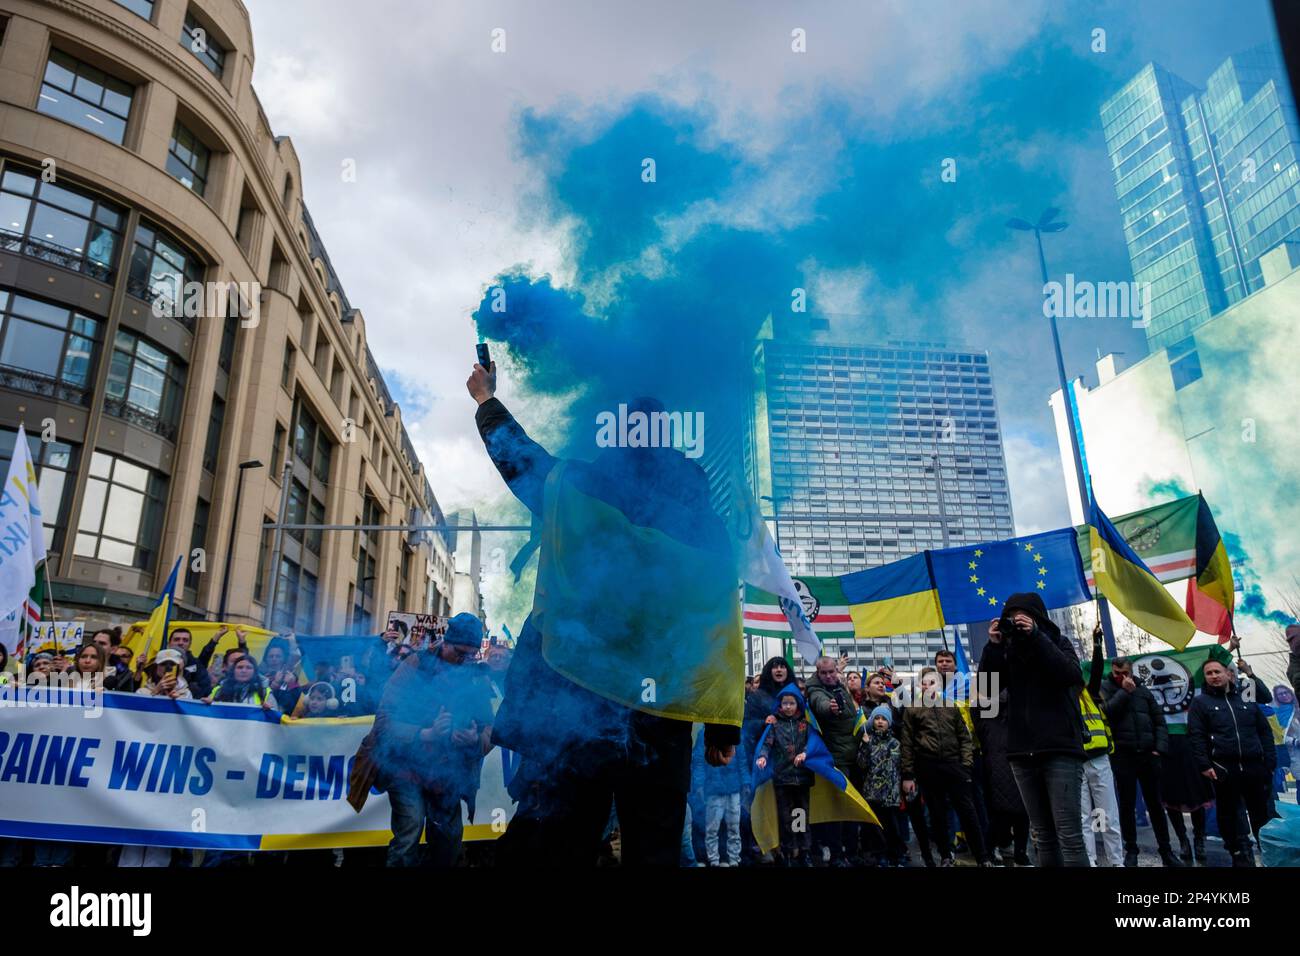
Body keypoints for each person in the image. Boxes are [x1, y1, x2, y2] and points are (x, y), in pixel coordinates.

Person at [467, 362, 738, 867]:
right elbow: (719, 625)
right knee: (655, 845)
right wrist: (723, 728)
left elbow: (522, 462)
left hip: (578, 699)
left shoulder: (583, 486)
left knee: (564, 839)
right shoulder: (705, 524)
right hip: (663, 713)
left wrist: (486, 401)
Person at [368, 613, 493, 867]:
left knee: (448, 842)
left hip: (448, 774)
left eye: (471, 654)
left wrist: (473, 740)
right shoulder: (415, 665)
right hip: (406, 767)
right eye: (460, 652)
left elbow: (490, 728)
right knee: (410, 830)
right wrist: (424, 734)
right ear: (446, 643)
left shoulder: (476, 676)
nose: (465, 660)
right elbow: (384, 721)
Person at [977, 593, 1089, 867]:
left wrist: (1037, 636)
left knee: (1069, 835)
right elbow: (987, 692)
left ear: (1037, 617)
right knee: (1043, 835)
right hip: (1021, 751)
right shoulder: (1006, 651)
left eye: (1022, 616)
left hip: (1059, 748)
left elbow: (1071, 676)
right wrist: (992, 647)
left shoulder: (1058, 642)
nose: (1016, 622)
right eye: (1011, 617)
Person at [899, 667, 992, 866]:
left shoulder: (951, 706)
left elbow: (964, 738)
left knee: (968, 811)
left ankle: (983, 857)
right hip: (928, 767)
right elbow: (907, 743)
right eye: (924, 683)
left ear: (939, 685)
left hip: (954, 765)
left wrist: (966, 765)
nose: (927, 686)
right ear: (919, 686)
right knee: (937, 813)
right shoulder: (913, 709)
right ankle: (945, 855)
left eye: (932, 682)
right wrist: (908, 774)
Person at [1188, 658, 1276, 866]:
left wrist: (1269, 761)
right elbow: (1196, 736)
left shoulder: (1246, 696)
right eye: (1209, 673)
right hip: (1223, 768)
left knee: (1260, 812)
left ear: (1228, 674)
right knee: (1228, 814)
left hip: (1254, 766)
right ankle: (1237, 851)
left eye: (1217, 671)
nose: (1214, 676)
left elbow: (1264, 730)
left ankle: (1267, 852)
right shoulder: (1201, 703)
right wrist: (1205, 765)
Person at [1100, 654, 1182, 867]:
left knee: (1155, 805)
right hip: (1122, 756)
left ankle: (1166, 851)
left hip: (1148, 755)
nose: (1121, 677)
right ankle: (1131, 850)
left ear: (1131, 671)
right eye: (1117, 674)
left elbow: (1159, 722)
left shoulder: (1144, 691)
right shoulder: (1105, 688)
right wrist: (1124, 693)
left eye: (1125, 673)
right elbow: (1106, 714)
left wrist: (1159, 749)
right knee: (1126, 805)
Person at [805, 655, 860, 865]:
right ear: (817, 673)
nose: (828, 676)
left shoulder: (840, 684)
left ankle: (852, 851)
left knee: (852, 808)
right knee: (839, 809)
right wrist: (830, 707)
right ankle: (837, 853)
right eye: (824, 673)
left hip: (853, 757)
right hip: (837, 760)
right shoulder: (816, 690)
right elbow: (820, 703)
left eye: (831, 672)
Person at [1078, 623, 1123, 868]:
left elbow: (1096, 670)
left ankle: (1117, 861)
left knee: (1107, 814)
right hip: (1076, 762)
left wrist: (1096, 644)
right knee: (1084, 817)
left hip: (1098, 760)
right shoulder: (1057, 699)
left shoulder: (1089, 693)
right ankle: (1091, 861)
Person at [973, 685, 1031, 866]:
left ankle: (1012, 851)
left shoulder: (1016, 714)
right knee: (1007, 813)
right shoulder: (986, 716)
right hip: (1000, 766)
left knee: (1018, 813)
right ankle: (1004, 850)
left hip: (1013, 763)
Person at [755, 688, 813, 866]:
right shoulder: (775, 724)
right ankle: (788, 852)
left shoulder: (805, 722)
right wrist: (763, 756)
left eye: (792, 703)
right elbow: (767, 743)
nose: (788, 707)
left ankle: (803, 852)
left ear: (798, 705)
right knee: (785, 817)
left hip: (801, 777)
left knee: (801, 815)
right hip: (782, 777)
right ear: (779, 705)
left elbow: (813, 742)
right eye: (784, 703)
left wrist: (804, 753)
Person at [858, 704, 905, 866]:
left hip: (891, 793)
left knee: (893, 826)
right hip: (872, 792)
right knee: (876, 828)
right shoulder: (867, 741)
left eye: (884, 719)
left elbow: (899, 767)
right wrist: (865, 746)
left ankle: (896, 854)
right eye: (877, 718)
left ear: (889, 722)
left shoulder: (895, 743)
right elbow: (862, 764)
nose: (880, 721)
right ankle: (880, 855)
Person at [691, 723, 745, 866]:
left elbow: (742, 760)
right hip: (714, 790)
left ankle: (734, 861)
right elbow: (698, 761)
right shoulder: (703, 734)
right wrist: (699, 786)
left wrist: (746, 783)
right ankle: (714, 861)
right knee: (712, 830)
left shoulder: (734, 731)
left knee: (734, 828)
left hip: (733, 789)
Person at [204, 654, 278, 710]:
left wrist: (269, 711)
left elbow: (275, 718)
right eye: (240, 667)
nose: (244, 670)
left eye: (248, 668)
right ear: (233, 671)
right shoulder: (219, 690)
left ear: (254, 672)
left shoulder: (265, 691)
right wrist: (206, 705)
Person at [166, 627, 212, 700]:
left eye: (185, 640)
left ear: (190, 644)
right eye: (177, 639)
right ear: (169, 643)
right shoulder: (157, 662)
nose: (181, 643)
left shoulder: (197, 665)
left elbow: (205, 689)